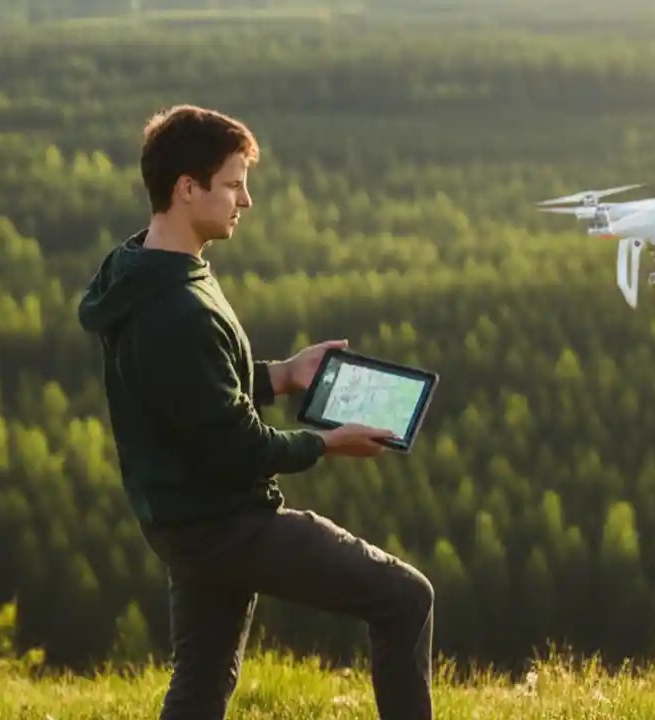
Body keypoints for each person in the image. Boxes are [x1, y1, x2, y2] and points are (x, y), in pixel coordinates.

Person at [77, 104, 434, 720]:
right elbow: (238, 444)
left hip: (182, 520)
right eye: (235, 183)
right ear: (187, 189)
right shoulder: (179, 310)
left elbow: (198, 397)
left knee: (200, 688)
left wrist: (285, 375)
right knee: (406, 598)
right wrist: (327, 442)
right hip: (226, 524)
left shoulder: (143, 269)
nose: (246, 200)